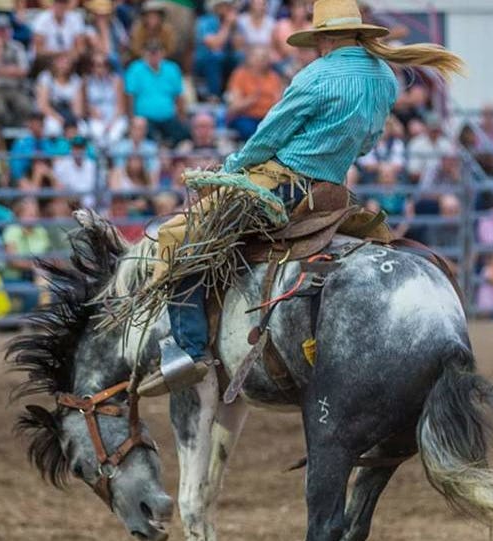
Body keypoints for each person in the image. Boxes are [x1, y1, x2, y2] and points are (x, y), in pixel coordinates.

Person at [138, 0, 463, 396]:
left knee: (180, 238)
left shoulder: (316, 76)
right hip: (332, 192)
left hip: (281, 187)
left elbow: (269, 137)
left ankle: (190, 349)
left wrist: (231, 169)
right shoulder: (385, 78)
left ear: (323, 38)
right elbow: (369, 143)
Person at [124, 41, 188, 145]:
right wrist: (131, 120)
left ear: (163, 53)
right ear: (144, 54)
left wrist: (181, 118)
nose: (154, 55)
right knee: (145, 134)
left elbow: (179, 96)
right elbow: (129, 96)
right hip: (145, 119)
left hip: (168, 118)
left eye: (157, 52)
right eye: (150, 53)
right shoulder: (135, 69)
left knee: (185, 134)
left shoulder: (172, 69)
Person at [225, 45, 284, 140]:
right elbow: (234, 106)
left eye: (263, 57)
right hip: (245, 116)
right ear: (249, 58)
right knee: (249, 130)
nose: (260, 61)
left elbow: (279, 103)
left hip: (268, 118)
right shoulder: (239, 75)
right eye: (256, 57)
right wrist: (252, 99)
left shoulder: (274, 77)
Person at [2, 197, 49, 312]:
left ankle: (46, 320)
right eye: (29, 215)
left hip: (37, 276)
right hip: (13, 277)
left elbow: (46, 256)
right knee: (33, 291)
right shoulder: (12, 231)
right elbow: (12, 261)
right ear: (19, 215)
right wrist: (33, 266)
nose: (33, 218)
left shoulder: (41, 231)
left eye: (35, 215)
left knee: (51, 286)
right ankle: (29, 323)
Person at [194, 0, 242, 99]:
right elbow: (215, 45)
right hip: (204, 60)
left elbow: (238, 47)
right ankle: (214, 96)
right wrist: (227, 25)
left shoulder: (233, 23)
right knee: (214, 58)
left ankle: (235, 95)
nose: (226, 8)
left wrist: (234, 28)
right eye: (224, 5)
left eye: (228, 6)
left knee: (240, 57)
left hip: (225, 59)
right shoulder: (204, 21)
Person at [83, 52, 127, 145]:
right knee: (97, 132)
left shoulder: (117, 81)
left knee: (114, 136)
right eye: (97, 65)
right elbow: (86, 105)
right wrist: (93, 114)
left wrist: (111, 123)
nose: (100, 68)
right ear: (92, 67)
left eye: (104, 65)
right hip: (96, 118)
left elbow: (121, 107)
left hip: (114, 117)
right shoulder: (87, 82)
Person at [35, 52, 83, 137]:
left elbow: (77, 108)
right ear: (55, 63)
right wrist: (59, 118)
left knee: (82, 129)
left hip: (68, 113)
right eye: (61, 62)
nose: (63, 65)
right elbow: (43, 105)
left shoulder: (76, 80)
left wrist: (71, 122)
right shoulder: (46, 77)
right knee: (53, 128)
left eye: (66, 63)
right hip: (51, 113)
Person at [10, 111, 58, 181]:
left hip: (45, 175)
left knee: (41, 168)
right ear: (30, 125)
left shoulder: (46, 142)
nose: (38, 126)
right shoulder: (21, 142)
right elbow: (15, 165)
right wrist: (21, 180)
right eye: (35, 123)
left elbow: (54, 158)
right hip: (24, 176)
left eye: (40, 123)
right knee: (39, 168)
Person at [406, 113, 453, 184]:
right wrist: (432, 175)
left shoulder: (446, 143)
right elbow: (413, 174)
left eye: (437, 129)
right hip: (423, 185)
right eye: (433, 129)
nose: (435, 132)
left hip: (445, 182)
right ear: (426, 128)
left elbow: (452, 169)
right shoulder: (416, 144)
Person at [52, 136, 95, 207]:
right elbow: (54, 179)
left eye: (81, 148)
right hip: (71, 202)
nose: (78, 151)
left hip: (90, 205)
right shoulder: (63, 164)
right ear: (71, 149)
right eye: (76, 148)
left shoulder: (92, 165)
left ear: (85, 149)